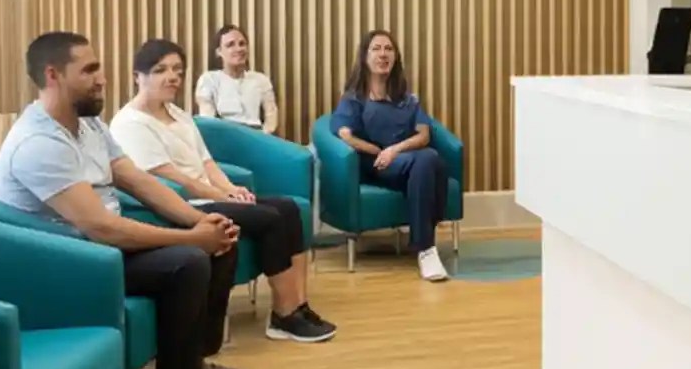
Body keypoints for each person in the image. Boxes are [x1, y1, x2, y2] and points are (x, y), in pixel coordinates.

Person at [0, 32, 244, 369]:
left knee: (222, 241)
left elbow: (139, 182)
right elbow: (102, 228)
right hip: (74, 261)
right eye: (89, 70)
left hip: (100, 246)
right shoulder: (39, 141)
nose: (102, 78)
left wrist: (203, 221)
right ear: (53, 75)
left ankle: (193, 364)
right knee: (190, 260)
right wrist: (192, 238)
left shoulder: (88, 125)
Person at [110, 39, 337, 343]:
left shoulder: (177, 113)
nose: (172, 76)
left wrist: (231, 189)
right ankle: (284, 315)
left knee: (288, 207)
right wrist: (221, 197)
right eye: (161, 70)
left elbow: (205, 161)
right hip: (181, 205)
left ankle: (298, 305)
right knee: (270, 218)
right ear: (139, 76)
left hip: (208, 195)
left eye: (177, 69)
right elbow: (173, 177)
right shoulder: (130, 122)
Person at [331, 30, 450, 282]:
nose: (383, 54)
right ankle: (426, 248)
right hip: (376, 165)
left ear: (396, 57)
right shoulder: (354, 98)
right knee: (430, 160)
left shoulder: (407, 99)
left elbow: (424, 134)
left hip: (408, 160)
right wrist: (377, 151)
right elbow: (345, 135)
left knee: (429, 159)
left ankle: (424, 248)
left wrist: (394, 149)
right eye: (376, 49)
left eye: (388, 49)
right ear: (365, 57)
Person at [195, 25, 278, 134]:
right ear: (219, 52)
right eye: (230, 45)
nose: (238, 49)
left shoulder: (261, 80)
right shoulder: (209, 79)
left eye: (242, 44)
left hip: (257, 136)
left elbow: (271, 116)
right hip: (224, 135)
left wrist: (262, 137)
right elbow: (207, 119)